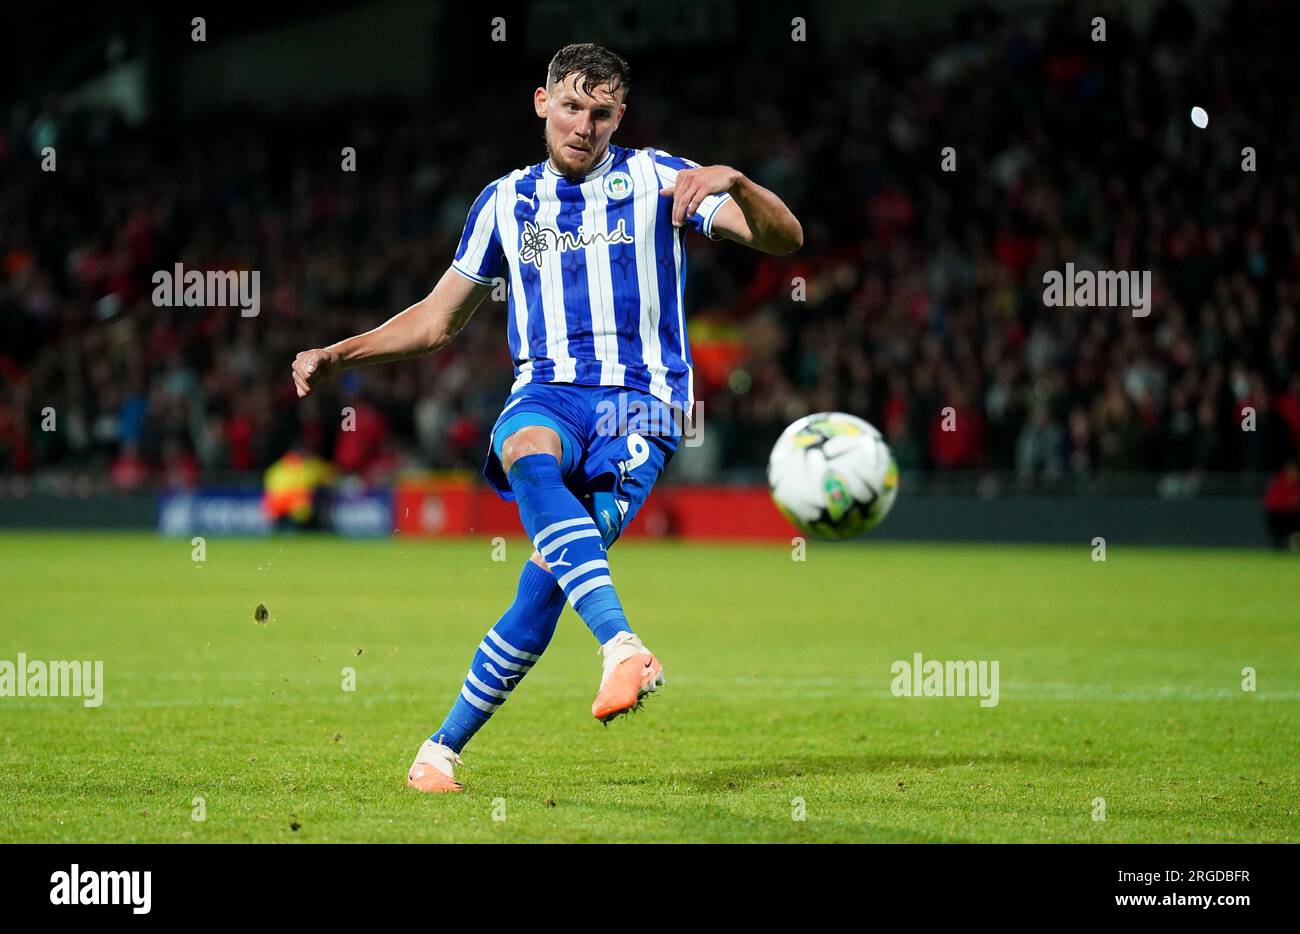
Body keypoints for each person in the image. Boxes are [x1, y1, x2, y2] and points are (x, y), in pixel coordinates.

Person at [290, 43, 802, 792]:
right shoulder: (504, 202)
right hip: (548, 392)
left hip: (642, 401)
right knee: (524, 441)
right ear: (542, 103)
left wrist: (738, 181)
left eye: (601, 112)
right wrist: (340, 354)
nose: (584, 124)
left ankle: (440, 750)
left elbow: (785, 240)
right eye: (570, 106)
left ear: (619, 116)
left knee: (545, 583)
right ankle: (622, 647)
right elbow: (438, 321)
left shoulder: (662, 180)